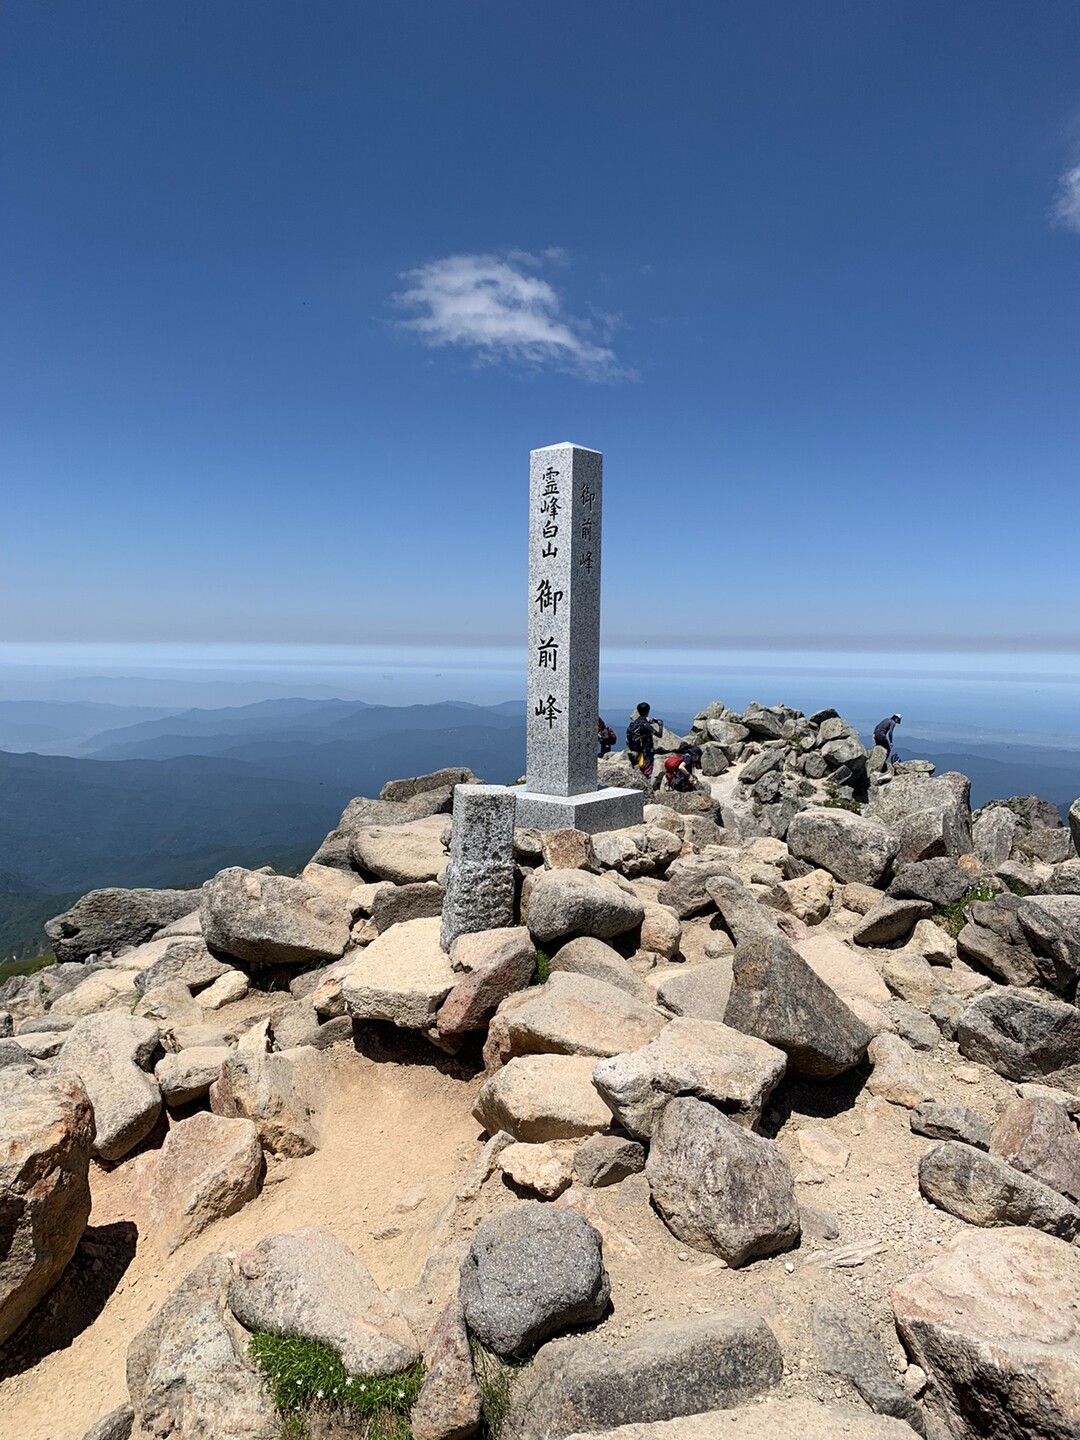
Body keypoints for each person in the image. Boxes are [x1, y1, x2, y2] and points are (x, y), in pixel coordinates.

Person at [626, 701, 663, 778]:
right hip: (647, 751)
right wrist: (660, 725)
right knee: (647, 771)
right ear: (648, 711)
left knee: (640, 767)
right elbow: (659, 735)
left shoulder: (635, 722)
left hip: (637, 750)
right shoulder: (645, 725)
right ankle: (646, 785)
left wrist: (651, 722)